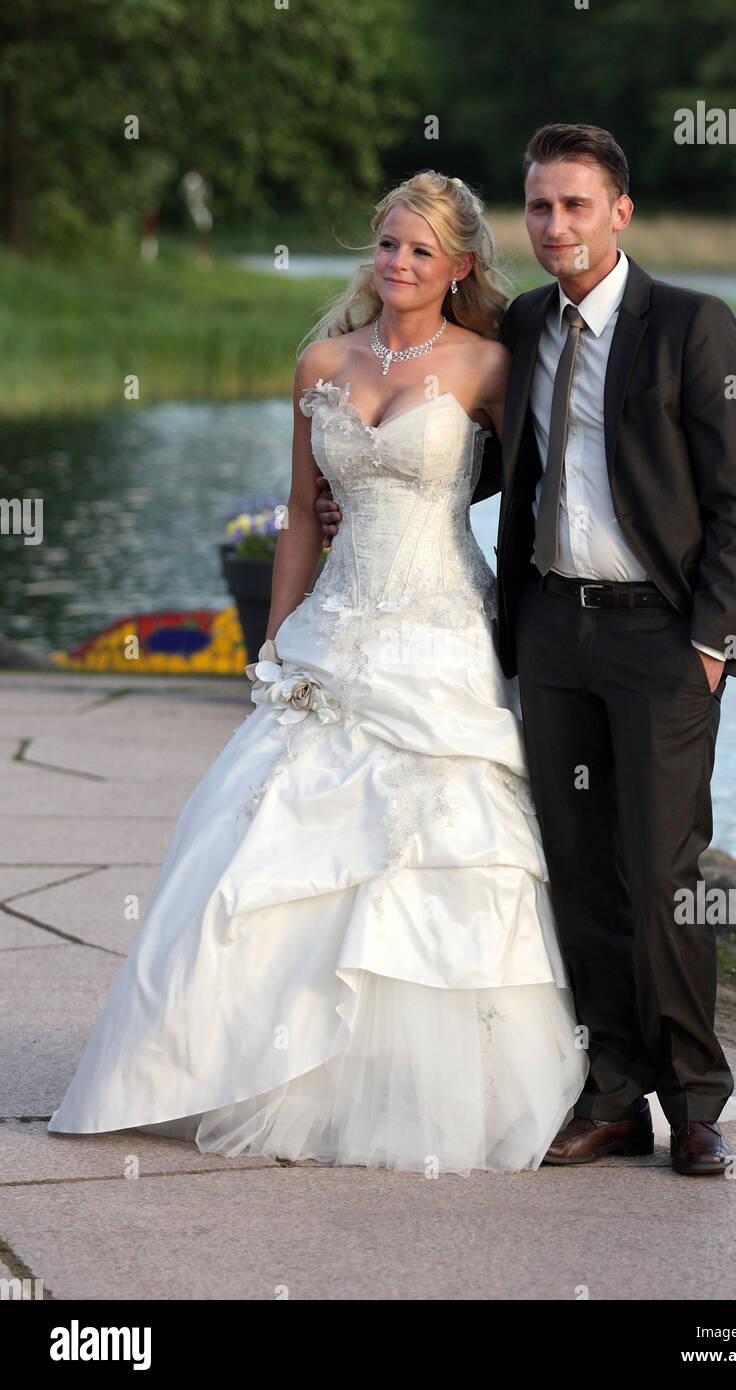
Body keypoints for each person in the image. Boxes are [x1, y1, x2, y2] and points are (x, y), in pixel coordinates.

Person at [47, 171, 593, 1176]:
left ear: (461, 265)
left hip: (440, 637)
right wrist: (273, 645)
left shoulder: (488, 365)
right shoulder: (321, 363)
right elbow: (301, 515)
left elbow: (543, 499)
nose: (397, 264)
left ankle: (437, 1086)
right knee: (254, 844)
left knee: (435, 856)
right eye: (387, 244)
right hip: (332, 636)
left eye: (421, 251)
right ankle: (229, 1058)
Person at [315, 126, 736, 1176]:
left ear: (618, 210)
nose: (555, 224)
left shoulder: (691, 327)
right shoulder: (524, 323)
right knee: (574, 873)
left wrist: (708, 639)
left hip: (663, 636)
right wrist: (373, 492)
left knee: (658, 872)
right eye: (540, 206)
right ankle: (610, 1093)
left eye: (575, 204)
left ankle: (693, 1099)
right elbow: (489, 456)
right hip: (551, 630)